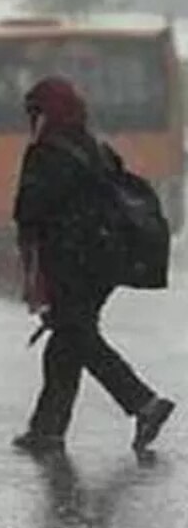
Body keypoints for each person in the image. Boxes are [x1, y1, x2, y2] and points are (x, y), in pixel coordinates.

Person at [11, 76, 174, 457]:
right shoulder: (93, 148)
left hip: (71, 262)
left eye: (34, 112)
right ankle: (46, 430)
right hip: (104, 262)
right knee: (66, 340)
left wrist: (31, 266)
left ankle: (143, 403)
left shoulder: (47, 152)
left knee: (77, 335)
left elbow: (30, 211)